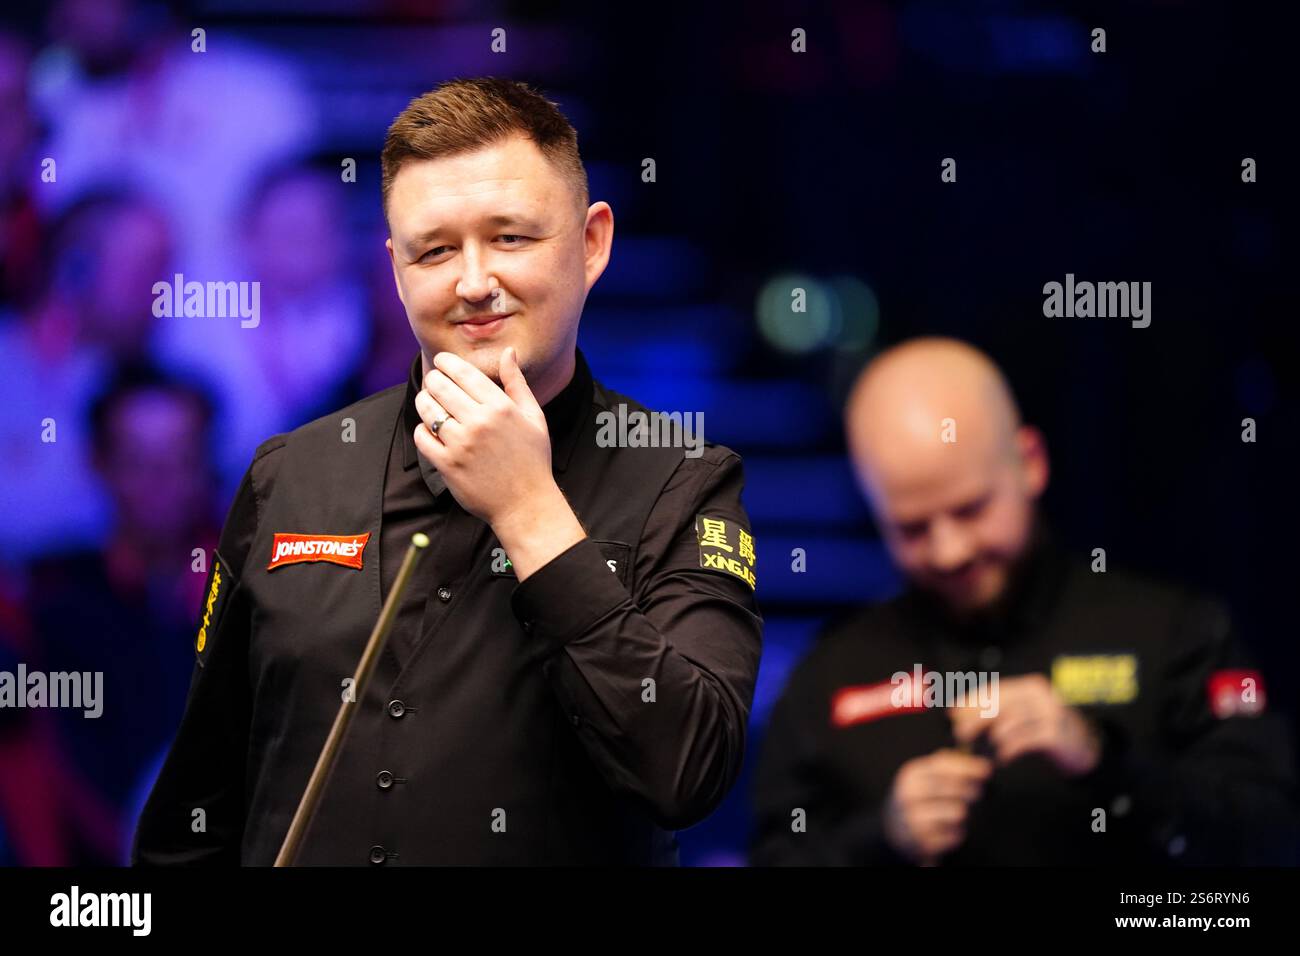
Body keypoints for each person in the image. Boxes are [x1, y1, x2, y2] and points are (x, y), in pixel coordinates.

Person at [133, 77, 763, 866]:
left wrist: (531, 509)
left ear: (593, 244)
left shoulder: (683, 482)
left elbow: (689, 771)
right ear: (394, 268)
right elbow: (198, 809)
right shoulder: (289, 475)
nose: (472, 282)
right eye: (434, 250)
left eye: (511, 238)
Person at [750, 336, 1296, 865]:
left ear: (1030, 462)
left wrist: (1105, 761)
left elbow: (1269, 833)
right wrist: (880, 840)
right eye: (912, 528)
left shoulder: (1174, 630)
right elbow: (775, 854)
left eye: (971, 509)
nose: (949, 551)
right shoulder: (830, 670)